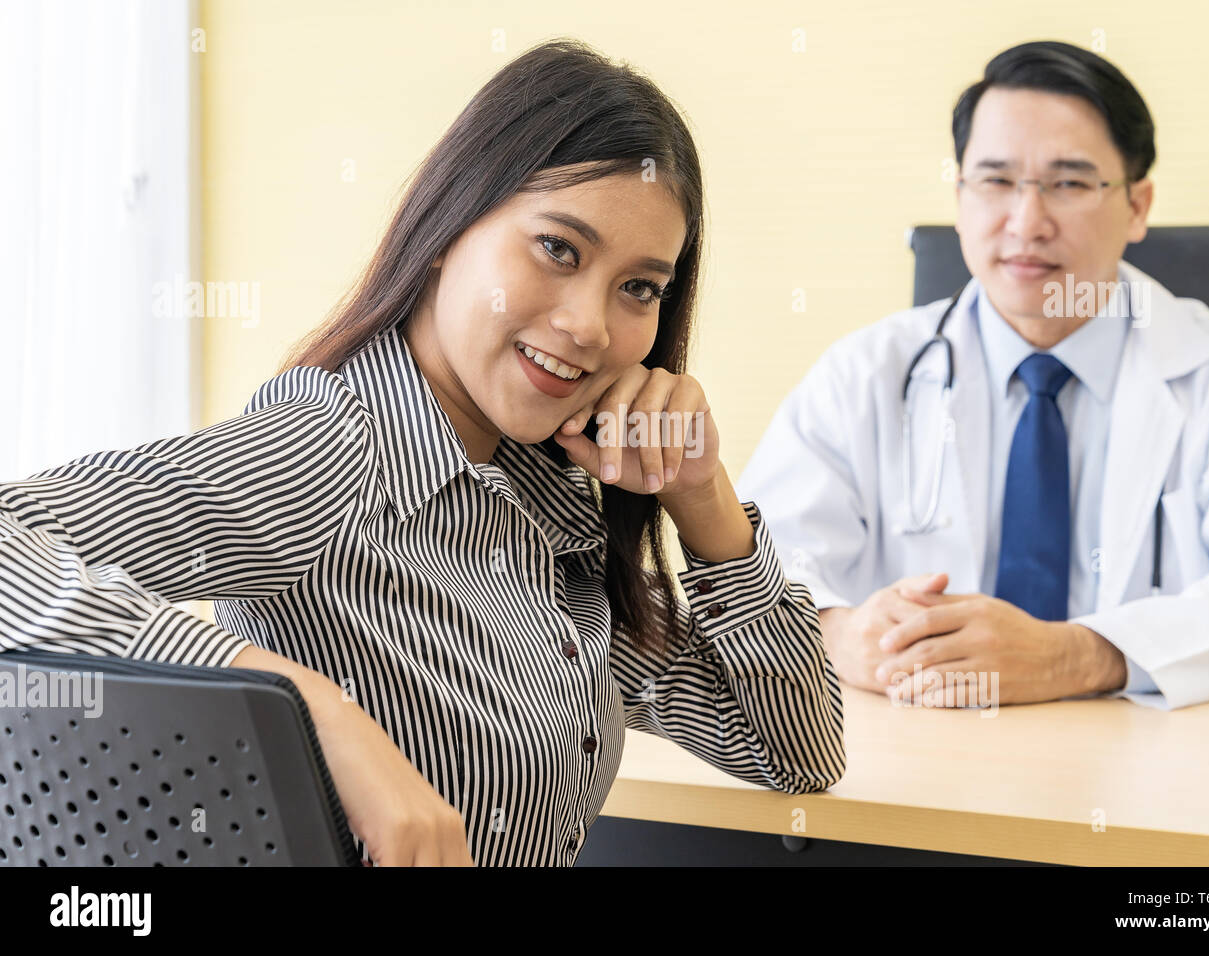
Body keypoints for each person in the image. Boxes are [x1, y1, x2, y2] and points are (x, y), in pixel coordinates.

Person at [0, 39, 846, 866]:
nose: (590, 325)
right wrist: (296, 702)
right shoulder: (332, 448)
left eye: (638, 288)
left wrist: (701, 499)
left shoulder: (539, 505)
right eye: (558, 248)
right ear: (449, 227)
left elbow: (797, 752)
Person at [739, 41, 1209, 711]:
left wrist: (1080, 655)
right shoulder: (864, 375)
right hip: (908, 767)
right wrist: (839, 635)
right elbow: (758, 569)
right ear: (960, 194)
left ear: (1138, 204)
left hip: (1156, 778)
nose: (1026, 223)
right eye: (996, 181)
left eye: (1068, 183)